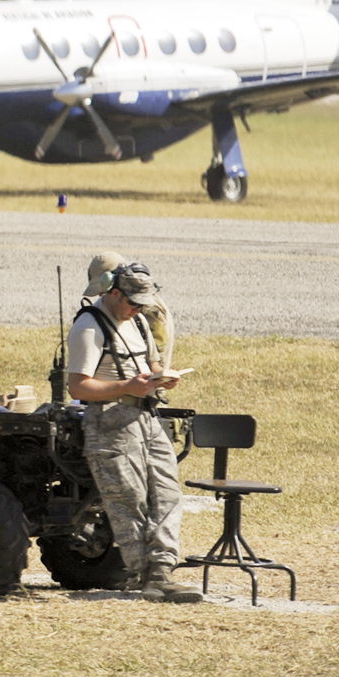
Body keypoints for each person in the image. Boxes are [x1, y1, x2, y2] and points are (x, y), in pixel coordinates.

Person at [67, 253, 203, 603]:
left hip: (146, 417)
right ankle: (144, 574)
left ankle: (162, 570)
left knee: (167, 493)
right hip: (109, 422)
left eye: (143, 304)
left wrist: (161, 377)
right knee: (129, 499)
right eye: (133, 303)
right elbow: (78, 387)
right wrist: (128, 386)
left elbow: (152, 362)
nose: (138, 309)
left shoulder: (139, 321)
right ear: (114, 293)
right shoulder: (89, 326)